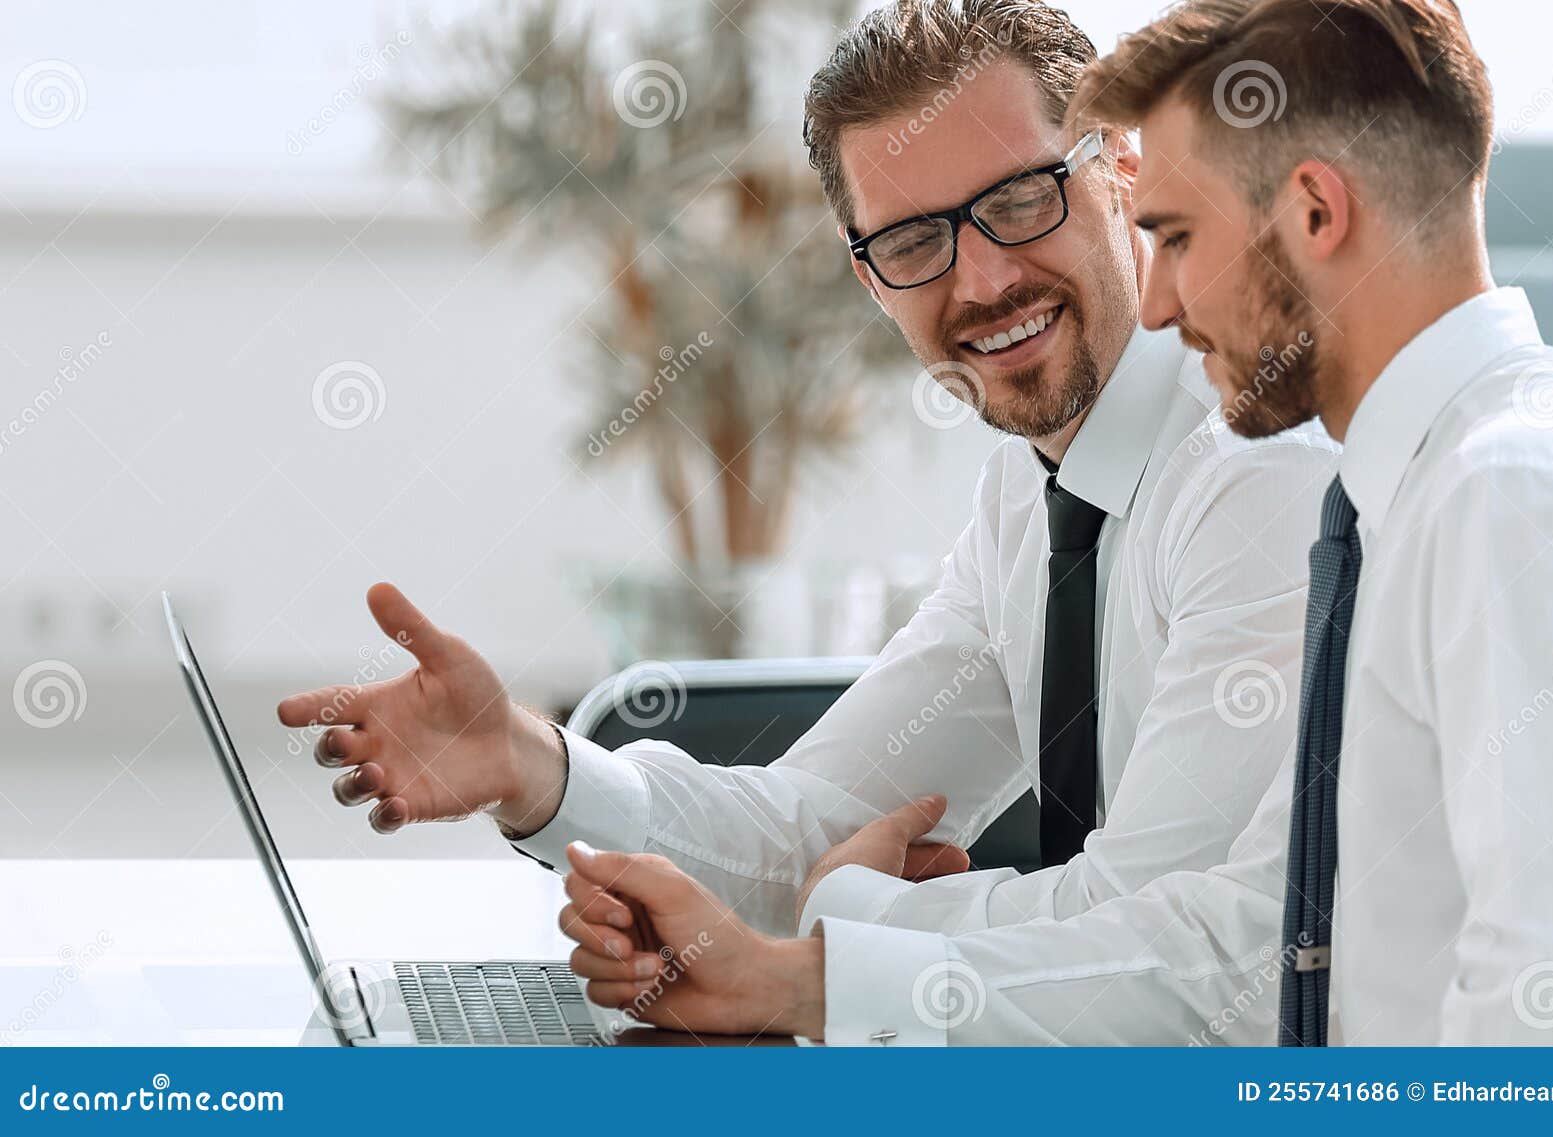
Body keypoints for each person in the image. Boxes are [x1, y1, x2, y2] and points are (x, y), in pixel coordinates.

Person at [277, 0, 1337, 1044]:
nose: (983, 278)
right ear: (868, 275)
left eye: (1019, 201)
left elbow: (1162, 943)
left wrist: (839, 924)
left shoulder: (1257, 469)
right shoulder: (1033, 497)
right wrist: (533, 766)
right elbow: (813, 819)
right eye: (914, 240)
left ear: (1125, 171)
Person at [1058, 0, 1553, 1044]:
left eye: (1173, 237)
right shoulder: (1402, 505)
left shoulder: (1507, 494)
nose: (1158, 305)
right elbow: (1257, 922)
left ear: (1314, 210)